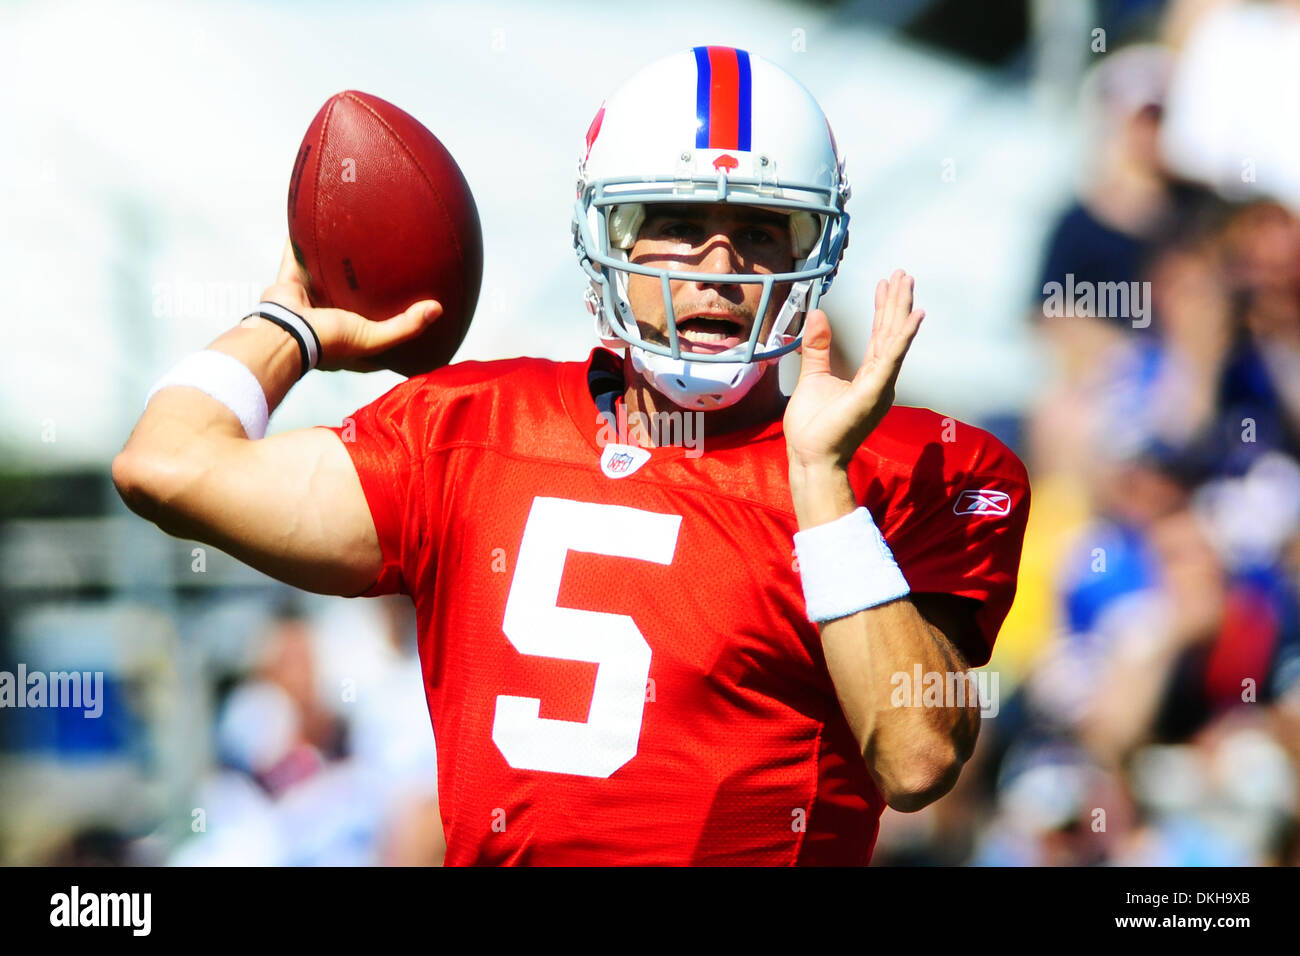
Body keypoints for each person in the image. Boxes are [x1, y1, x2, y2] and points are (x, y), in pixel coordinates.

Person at [112, 46, 1029, 865]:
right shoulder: (468, 433)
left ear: (811, 251)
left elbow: (916, 759)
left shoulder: (909, 468)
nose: (717, 265)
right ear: (608, 242)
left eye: (758, 229)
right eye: (674, 221)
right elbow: (168, 465)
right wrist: (293, 326)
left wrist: (823, 485)